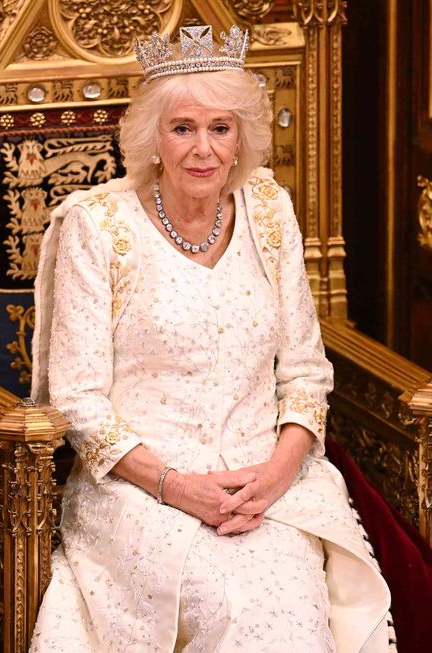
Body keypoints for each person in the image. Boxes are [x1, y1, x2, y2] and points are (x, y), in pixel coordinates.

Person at [30, 25, 393, 653]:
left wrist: (277, 475)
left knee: (290, 623)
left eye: (220, 128)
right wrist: (178, 486)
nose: (203, 149)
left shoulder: (268, 209)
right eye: (183, 128)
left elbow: (305, 372)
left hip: (267, 486)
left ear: (241, 138)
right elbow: (80, 402)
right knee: (220, 608)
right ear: (152, 138)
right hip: (142, 490)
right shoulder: (98, 227)